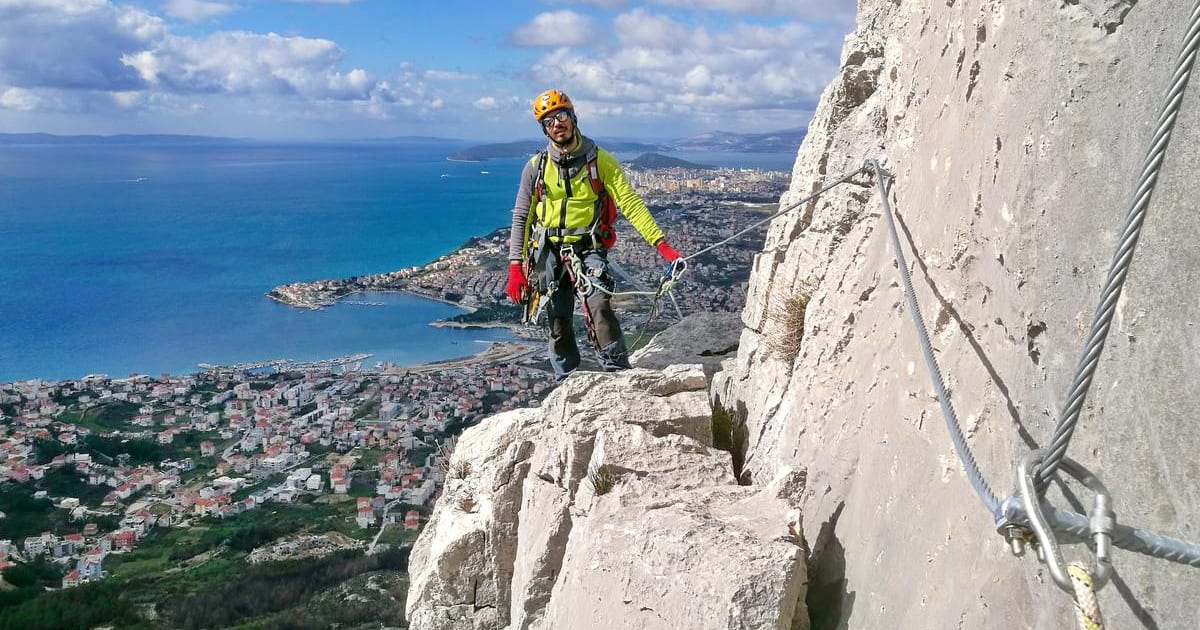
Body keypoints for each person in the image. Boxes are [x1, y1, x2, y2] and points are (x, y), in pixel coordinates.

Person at [505, 89, 683, 380]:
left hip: (588, 248)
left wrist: (662, 247)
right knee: (558, 318)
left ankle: (616, 371)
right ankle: (566, 377)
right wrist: (515, 266)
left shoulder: (600, 161)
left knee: (599, 306)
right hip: (548, 251)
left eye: (560, 116)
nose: (556, 124)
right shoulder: (536, 168)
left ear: (573, 117)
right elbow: (522, 216)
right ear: (544, 129)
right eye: (548, 122)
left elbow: (631, 204)